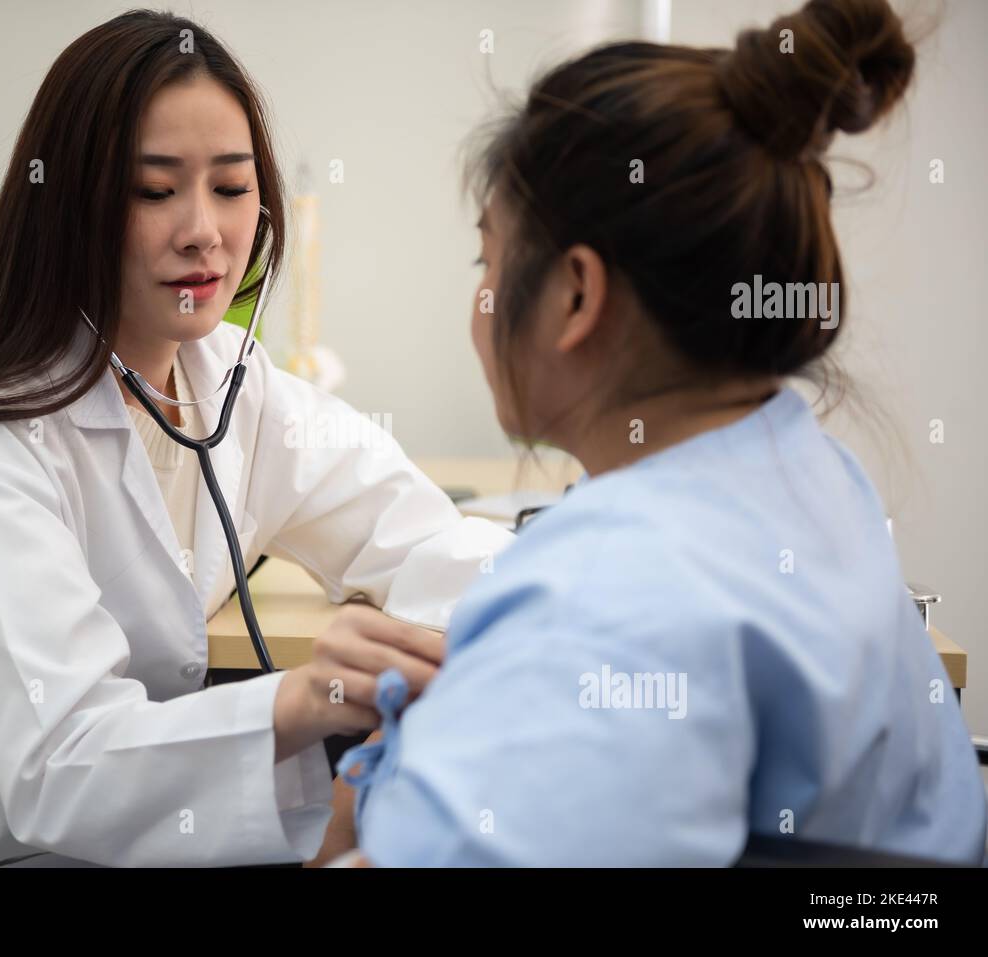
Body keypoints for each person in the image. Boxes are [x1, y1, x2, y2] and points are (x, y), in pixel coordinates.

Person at [0, 10, 509, 868]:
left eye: (229, 186)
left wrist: (516, 595)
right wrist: (301, 697)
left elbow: (423, 536)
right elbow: (62, 767)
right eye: (154, 190)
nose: (203, 231)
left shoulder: (232, 384)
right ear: (69, 205)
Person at [328, 0, 986, 866]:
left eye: (486, 262)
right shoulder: (812, 470)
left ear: (574, 295)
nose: (480, 300)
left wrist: (361, 787)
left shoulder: (604, 602)